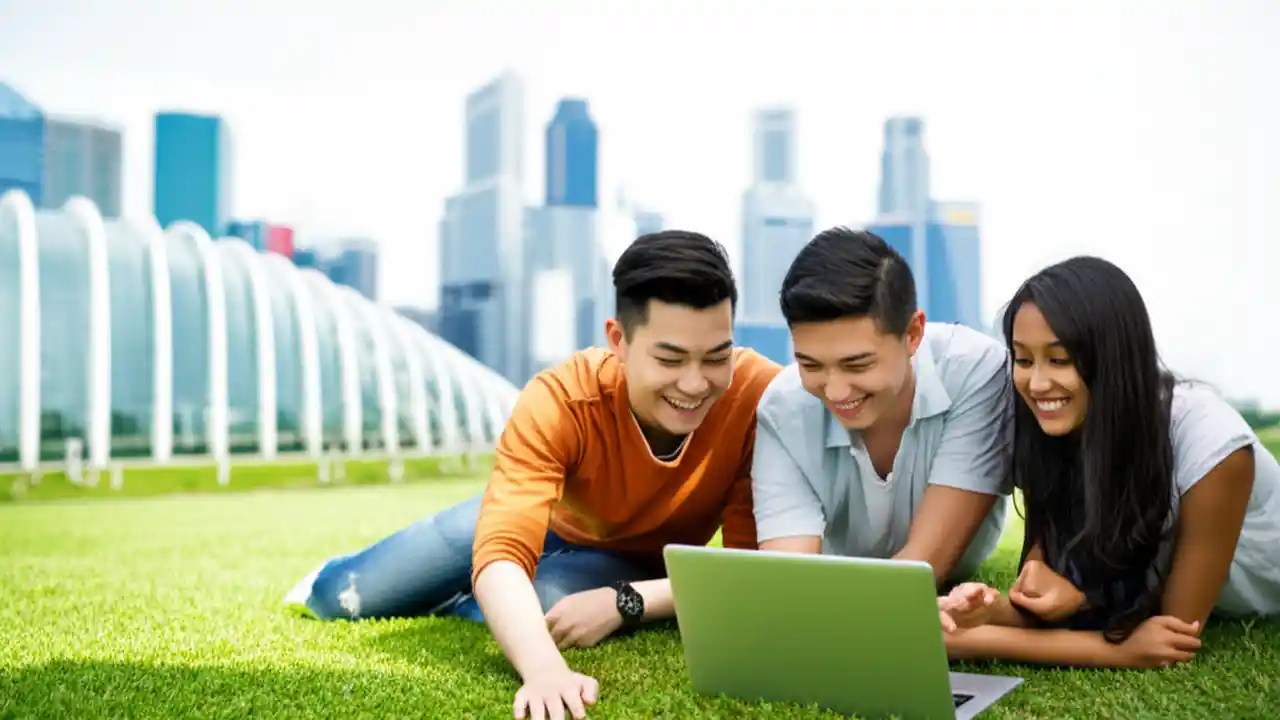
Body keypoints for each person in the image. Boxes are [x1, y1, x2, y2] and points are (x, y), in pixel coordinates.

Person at [284, 230, 781, 719]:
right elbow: (503, 549)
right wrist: (544, 671)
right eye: (670, 359)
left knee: (549, 603)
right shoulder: (562, 397)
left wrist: (628, 601)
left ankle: (473, 602)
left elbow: (744, 575)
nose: (695, 384)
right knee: (342, 599)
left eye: (717, 357)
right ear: (619, 342)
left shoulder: (758, 395)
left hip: (630, 562)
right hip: (541, 521)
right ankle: (463, 591)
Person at [939, 255, 1280, 669]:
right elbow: (1055, 603)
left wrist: (980, 642)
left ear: (1113, 356)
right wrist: (984, 612)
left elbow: (1170, 634)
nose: (1038, 383)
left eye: (1060, 359)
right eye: (1024, 360)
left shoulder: (1211, 441)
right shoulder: (1053, 429)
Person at [749, 227, 1011, 587]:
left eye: (858, 365)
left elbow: (923, 567)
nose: (836, 391)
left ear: (913, 334)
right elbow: (789, 579)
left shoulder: (976, 371)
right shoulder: (783, 407)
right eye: (810, 365)